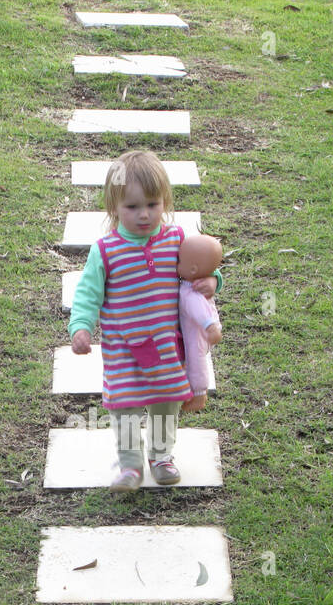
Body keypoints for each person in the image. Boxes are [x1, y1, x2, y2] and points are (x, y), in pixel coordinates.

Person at [68, 151, 223, 492]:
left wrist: (213, 283)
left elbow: (203, 269)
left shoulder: (176, 239)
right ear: (114, 207)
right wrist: (80, 326)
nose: (144, 215)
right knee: (123, 406)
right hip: (125, 349)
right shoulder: (106, 250)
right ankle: (130, 465)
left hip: (167, 347)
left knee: (165, 403)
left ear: (165, 201)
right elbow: (87, 294)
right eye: (132, 207)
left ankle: (161, 456)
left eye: (153, 205)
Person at [176, 233, 224, 413]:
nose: (175, 263)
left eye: (178, 260)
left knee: (196, 359)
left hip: (199, 330)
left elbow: (200, 310)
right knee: (194, 359)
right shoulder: (189, 283)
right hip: (201, 327)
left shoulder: (191, 292)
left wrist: (214, 278)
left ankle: (198, 393)